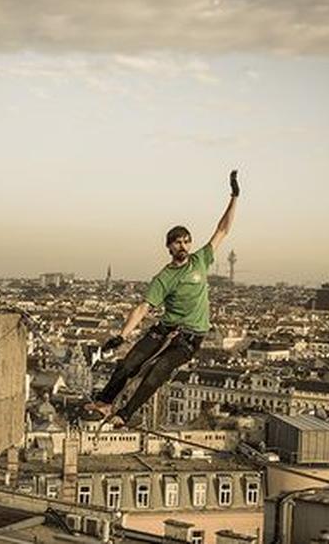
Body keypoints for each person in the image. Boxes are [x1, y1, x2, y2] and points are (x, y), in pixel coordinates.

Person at [85, 171, 240, 428]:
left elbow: (222, 229)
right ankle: (104, 402)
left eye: (186, 241)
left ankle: (126, 413)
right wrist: (122, 336)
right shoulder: (163, 278)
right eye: (177, 242)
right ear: (168, 247)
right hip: (166, 329)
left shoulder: (201, 259)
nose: (182, 245)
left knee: (158, 372)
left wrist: (234, 197)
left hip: (190, 337)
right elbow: (143, 308)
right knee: (129, 363)